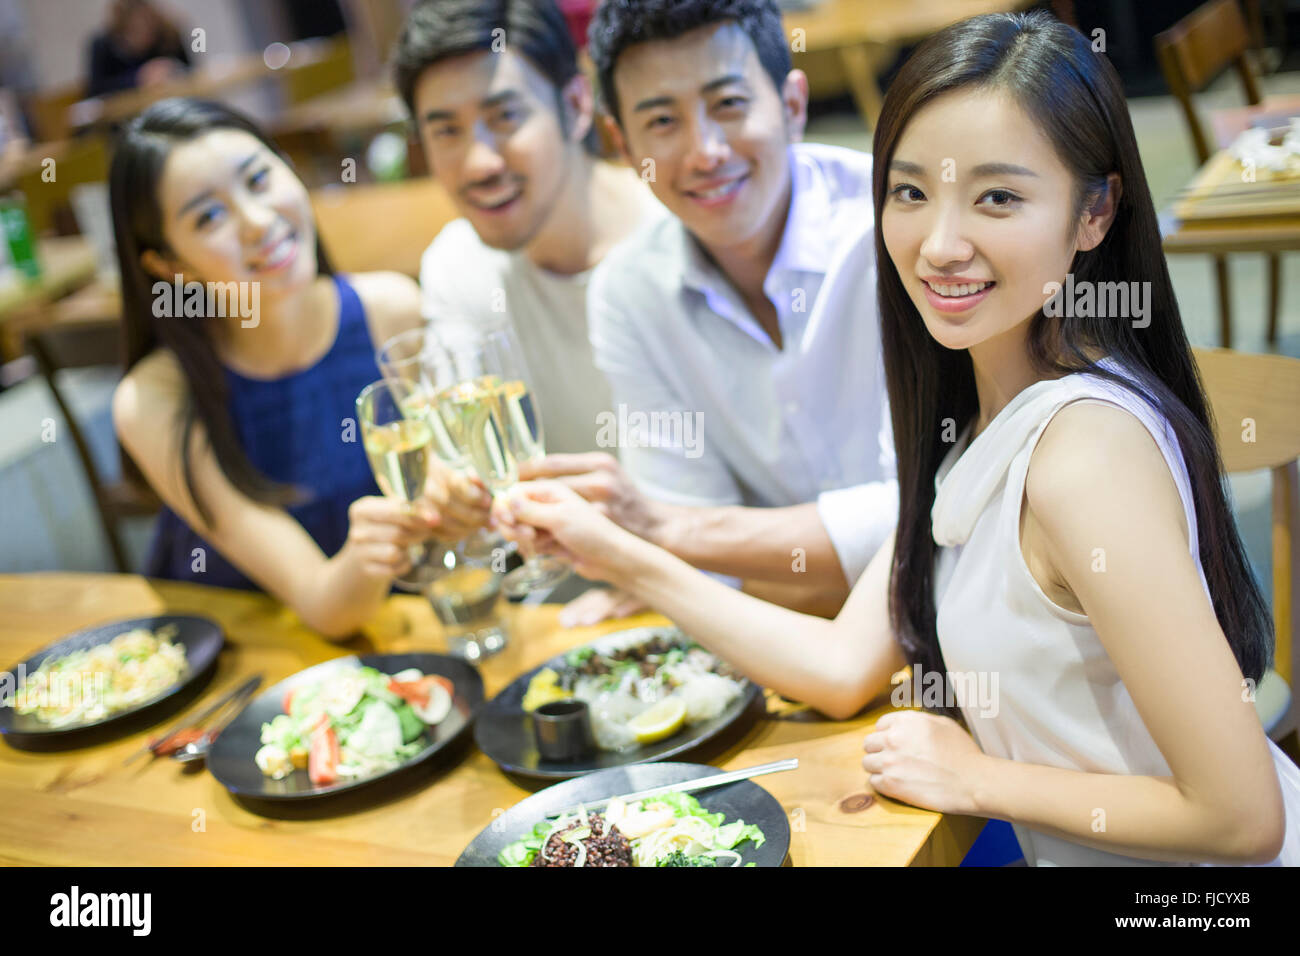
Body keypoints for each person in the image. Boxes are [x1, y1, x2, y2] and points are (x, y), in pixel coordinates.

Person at [496, 11, 1300, 865]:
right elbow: (842, 665)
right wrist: (619, 550)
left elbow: (1242, 816)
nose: (941, 245)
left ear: (1094, 213)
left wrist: (979, 778)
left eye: (999, 197)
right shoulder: (976, 420)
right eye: (911, 192)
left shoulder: (1082, 453)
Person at [520, 0, 897, 620]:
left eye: (729, 104)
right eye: (663, 121)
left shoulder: (895, 229)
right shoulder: (629, 293)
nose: (705, 152)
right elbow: (698, 559)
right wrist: (679, 544)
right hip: (795, 639)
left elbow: (941, 513)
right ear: (621, 142)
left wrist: (660, 532)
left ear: (792, 106)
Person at [110, 98, 488, 640]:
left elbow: (456, 531)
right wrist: (374, 544)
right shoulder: (155, 399)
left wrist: (458, 506)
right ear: (169, 266)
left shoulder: (391, 312)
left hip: (394, 637)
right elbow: (324, 604)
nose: (258, 222)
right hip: (247, 652)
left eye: (259, 179)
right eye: (209, 216)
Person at [393, 0, 663, 458]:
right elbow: (462, 456)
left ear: (577, 104)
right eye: (446, 132)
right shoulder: (458, 266)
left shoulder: (678, 233)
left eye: (505, 117)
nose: (479, 163)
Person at [86, 0, 191, 98]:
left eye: (149, 31)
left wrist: (173, 68)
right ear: (121, 32)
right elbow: (96, 91)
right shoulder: (103, 44)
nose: (144, 37)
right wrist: (138, 78)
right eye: (135, 32)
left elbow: (191, 71)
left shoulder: (169, 34)